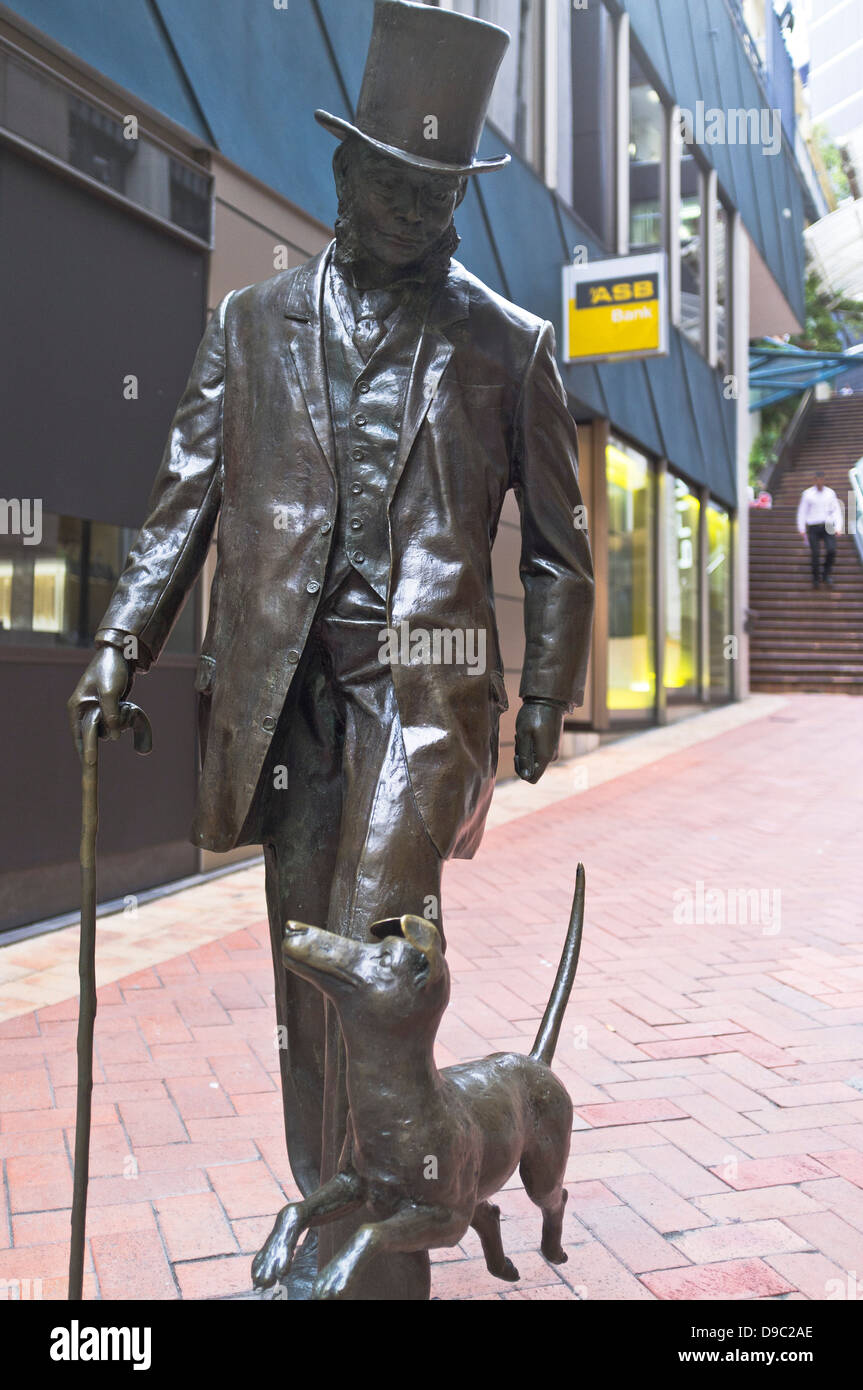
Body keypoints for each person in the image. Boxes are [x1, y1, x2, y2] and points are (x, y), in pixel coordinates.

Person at [67, 1, 594, 1299]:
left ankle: (397, 1210)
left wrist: (539, 698)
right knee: (304, 961)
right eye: (390, 186)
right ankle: (331, 1197)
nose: (411, 214)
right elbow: (183, 497)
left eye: (434, 194)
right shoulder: (250, 327)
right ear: (344, 173)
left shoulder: (503, 344)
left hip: (423, 699)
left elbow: (559, 548)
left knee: (375, 943)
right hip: (286, 695)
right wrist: (118, 643)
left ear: (453, 200)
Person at [797, 470, 842, 588]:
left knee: (831, 550)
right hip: (813, 526)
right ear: (814, 480)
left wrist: (838, 527)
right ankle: (816, 578)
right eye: (817, 480)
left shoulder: (830, 493)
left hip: (828, 525)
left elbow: (836, 510)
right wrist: (801, 528)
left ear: (824, 480)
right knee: (815, 553)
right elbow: (802, 512)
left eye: (822, 480)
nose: (820, 482)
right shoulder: (807, 494)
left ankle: (826, 575)